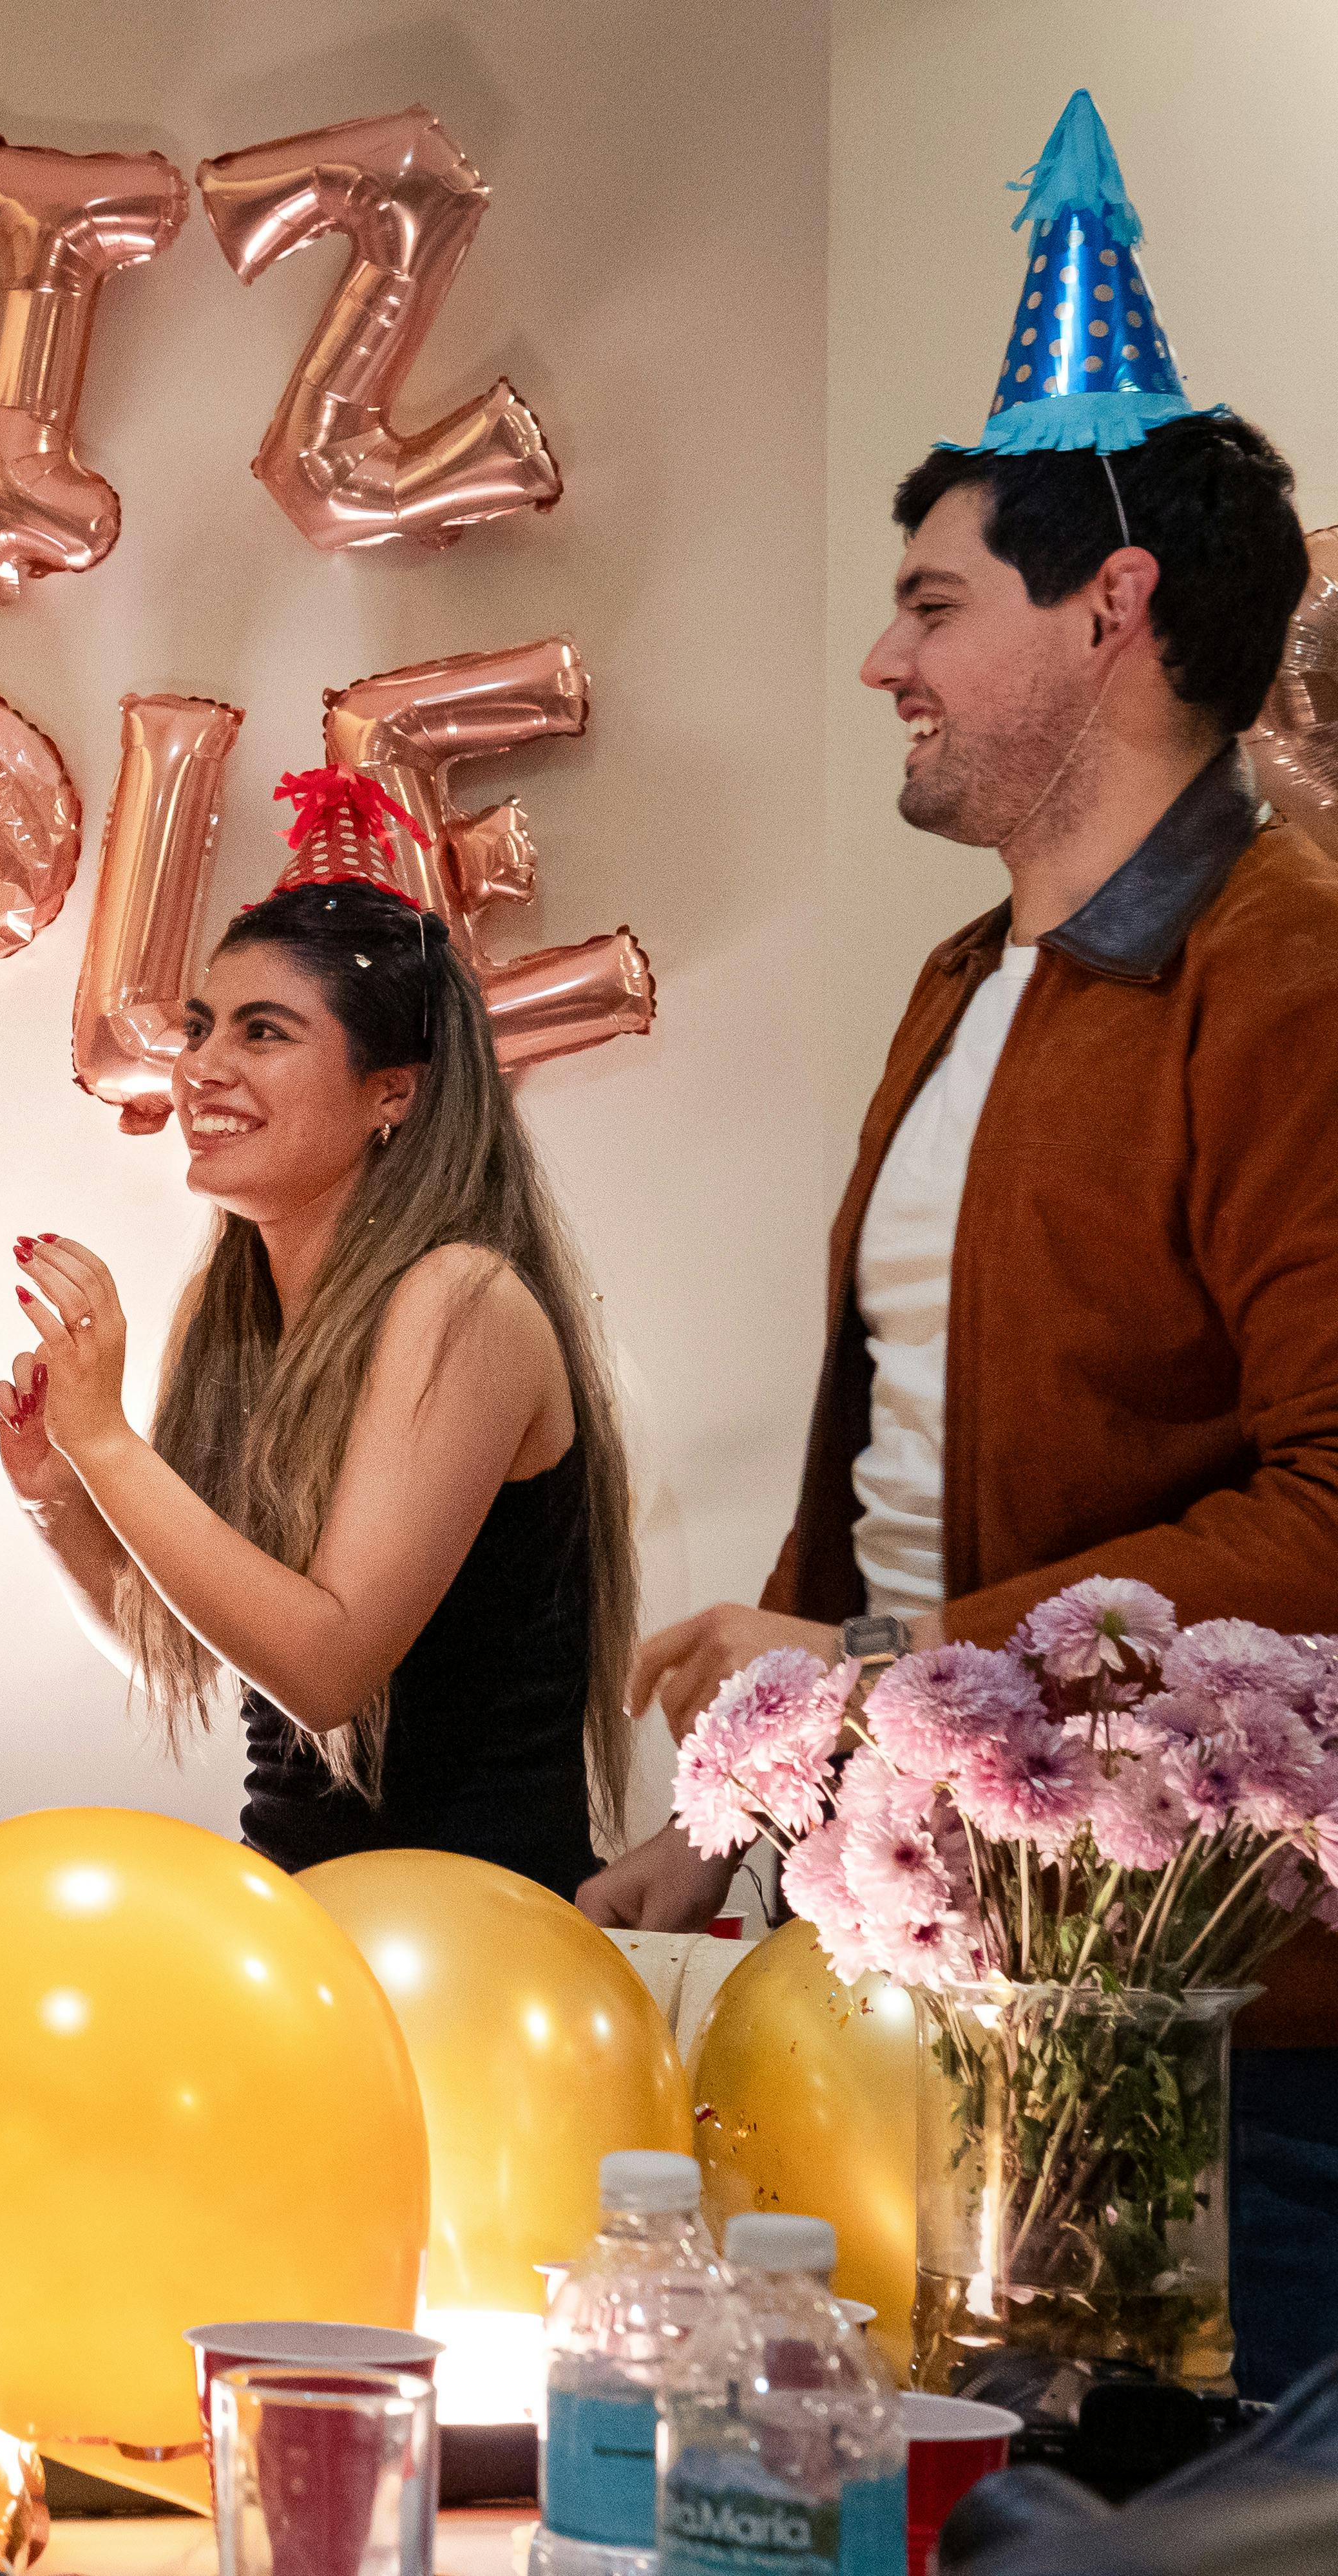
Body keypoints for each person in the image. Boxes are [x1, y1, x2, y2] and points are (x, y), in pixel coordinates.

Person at [573, 411, 1338, 2391]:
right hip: (942, 1988)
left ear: (1114, 612)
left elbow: (1329, 1514)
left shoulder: (1291, 979)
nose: (880, 665)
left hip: (1209, 2049)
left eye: (932, 603)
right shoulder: (959, 977)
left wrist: (863, 1671)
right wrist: (752, 1798)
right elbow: (893, 1470)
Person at [0, 856, 641, 1897]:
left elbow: (327, 1672)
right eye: (200, 1027)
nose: (201, 1066)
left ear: (393, 1093)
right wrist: (54, 1494)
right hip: (306, 1925)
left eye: (264, 1031)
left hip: (474, 1943)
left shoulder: (460, 1296)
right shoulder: (235, 1312)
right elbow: (187, 1651)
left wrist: (109, 1446)